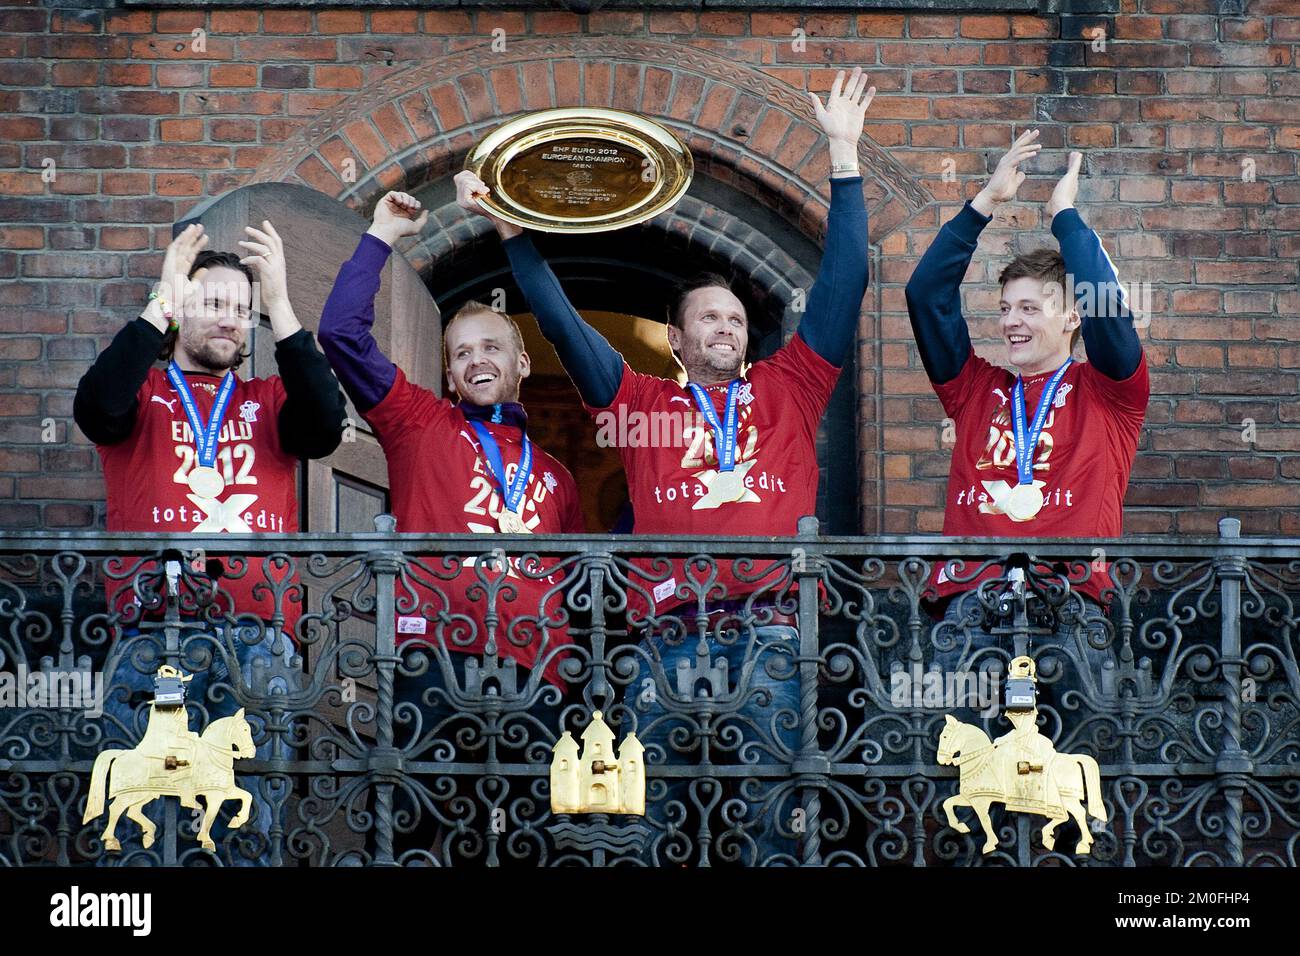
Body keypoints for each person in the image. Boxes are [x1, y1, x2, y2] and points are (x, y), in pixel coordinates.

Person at [456, 67, 875, 864]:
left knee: (771, 830)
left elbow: (845, 280)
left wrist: (844, 157)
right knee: (658, 836)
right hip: (667, 642)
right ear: (677, 341)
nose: (725, 327)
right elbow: (563, 326)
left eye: (736, 319)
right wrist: (512, 233)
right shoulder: (641, 403)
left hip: (773, 637)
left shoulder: (793, 387)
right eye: (706, 319)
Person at [74, 219, 348, 863]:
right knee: (141, 825)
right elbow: (94, 406)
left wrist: (281, 307)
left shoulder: (270, 397)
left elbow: (325, 427)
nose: (229, 320)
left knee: (247, 819)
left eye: (241, 310)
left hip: (259, 634)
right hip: (148, 632)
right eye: (212, 303)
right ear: (180, 310)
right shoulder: (141, 391)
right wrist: (161, 303)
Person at [317, 191, 583, 777]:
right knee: (417, 826)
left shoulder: (558, 478)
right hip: (432, 657)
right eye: (461, 353)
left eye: (491, 347)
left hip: (538, 671)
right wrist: (381, 235)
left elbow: (578, 589)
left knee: (533, 835)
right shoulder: (419, 422)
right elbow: (340, 333)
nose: (475, 360)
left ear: (523, 364)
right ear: (450, 373)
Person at [904, 134, 1149, 725]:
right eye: (1006, 308)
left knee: (1074, 790)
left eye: (1029, 308)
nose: (1011, 321)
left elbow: (1108, 307)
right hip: (969, 607)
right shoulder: (973, 388)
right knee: (958, 779)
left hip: (1073, 610)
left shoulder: (1111, 390)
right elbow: (925, 294)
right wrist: (985, 200)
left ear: (1071, 317)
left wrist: (1065, 217)